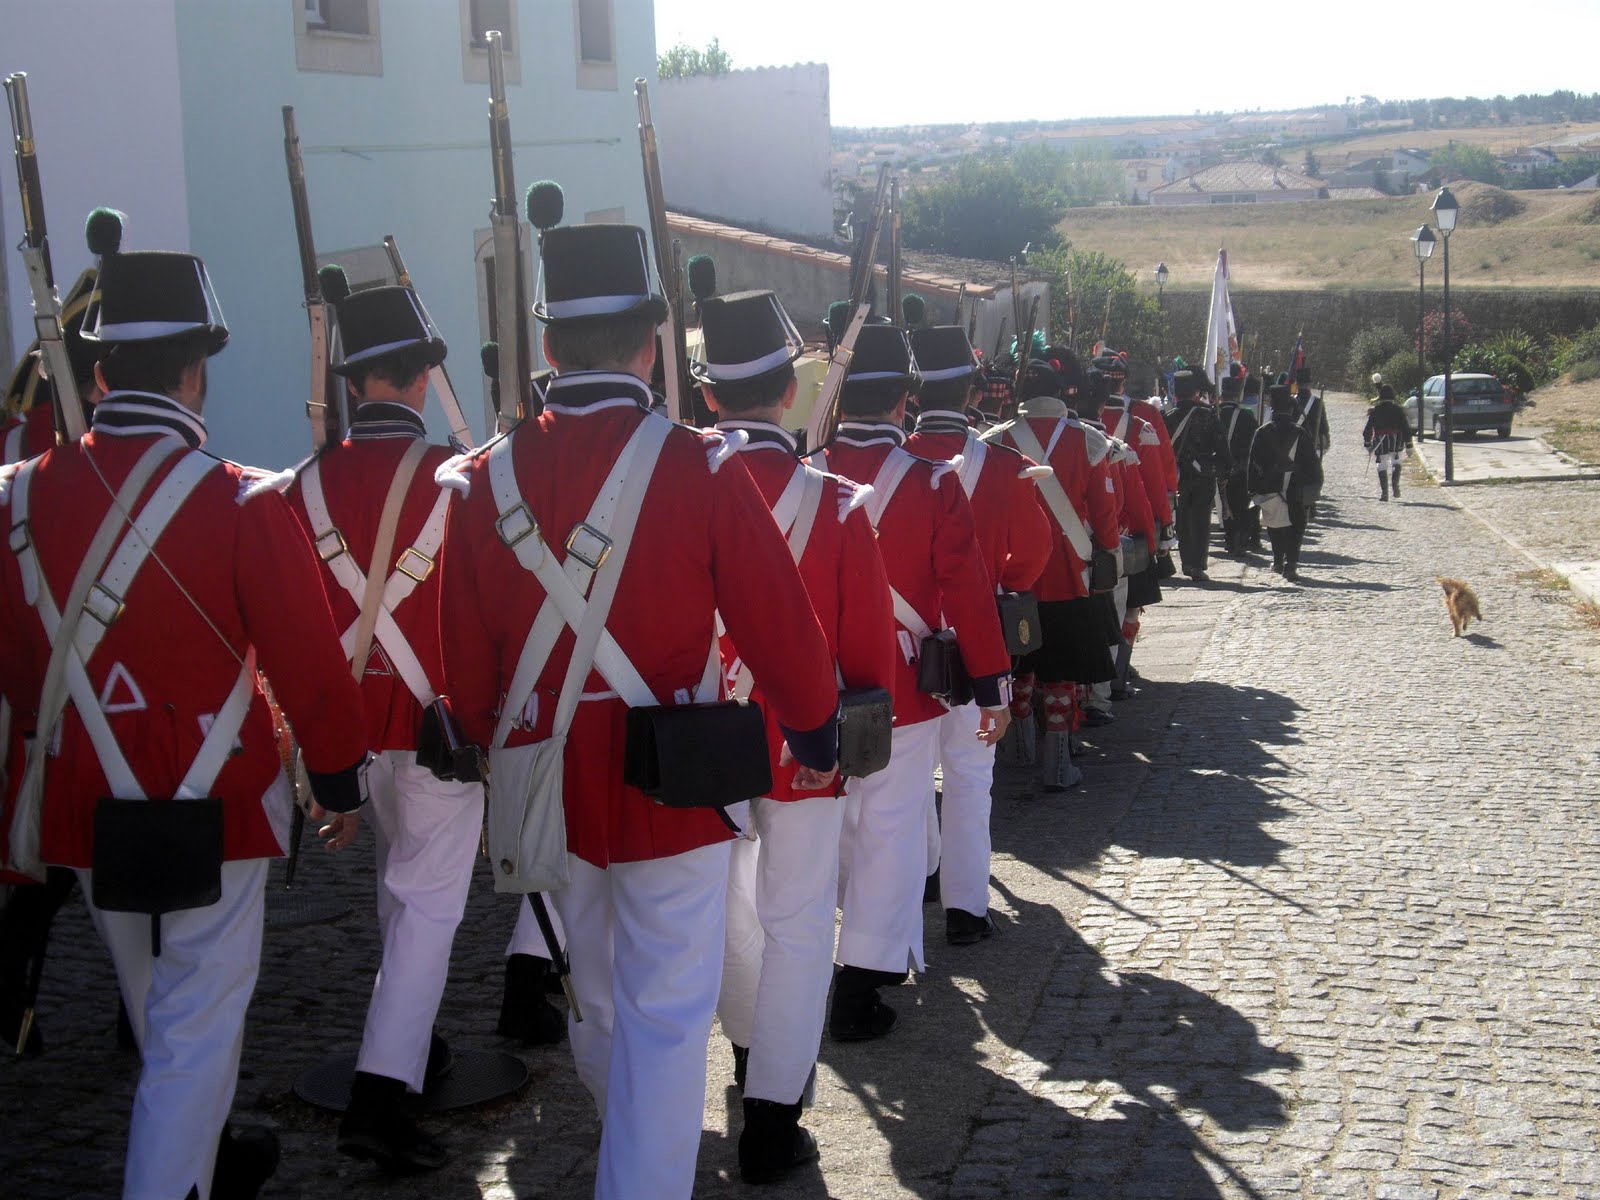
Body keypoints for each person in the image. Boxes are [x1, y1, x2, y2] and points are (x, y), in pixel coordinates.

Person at [439, 220, 840, 1200]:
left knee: (599, 999)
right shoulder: (703, 464)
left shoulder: (484, 478)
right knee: (664, 1018)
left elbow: (464, 664)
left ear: (548, 346)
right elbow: (780, 626)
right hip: (675, 780)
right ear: (651, 345)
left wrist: (494, 742)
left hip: (547, 779)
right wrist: (813, 727)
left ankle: (630, 1159)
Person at [0, 250, 370, 1200]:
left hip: (87, 800)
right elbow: (311, 668)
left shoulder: (17, 497)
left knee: (163, 1016)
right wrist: (338, 781)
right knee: (191, 1033)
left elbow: (19, 670)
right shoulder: (244, 499)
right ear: (195, 371)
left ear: (101, 373)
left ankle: (200, 1170)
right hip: (218, 803)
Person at [697, 287, 896, 1183]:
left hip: (700, 744)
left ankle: (750, 1054)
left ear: (708, 395)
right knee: (799, 925)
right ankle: (773, 1117)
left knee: (729, 917)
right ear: (789, 391)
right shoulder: (840, 506)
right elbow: (868, 658)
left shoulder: (674, 491)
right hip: (803, 747)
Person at [283, 282, 482, 1172]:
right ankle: (380, 1096)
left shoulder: (300, 487)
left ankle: (415, 1040)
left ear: (353, 382)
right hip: (438, 724)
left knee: (400, 894)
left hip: (348, 728)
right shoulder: (459, 478)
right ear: (421, 378)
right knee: (429, 906)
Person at [812, 323, 1012, 1039]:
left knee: (826, 831)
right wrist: (992, 689)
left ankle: (826, 962)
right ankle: (861, 980)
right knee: (890, 833)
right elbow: (969, 594)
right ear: (905, 401)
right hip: (900, 687)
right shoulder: (932, 482)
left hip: (811, 684)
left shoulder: (807, 472)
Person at [904, 324, 1050, 934]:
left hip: (904, 644)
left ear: (914, 394)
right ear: (970, 391)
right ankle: (966, 907)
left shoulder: (895, 460)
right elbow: (1034, 554)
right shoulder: (1006, 466)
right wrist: (998, 586)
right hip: (978, 641)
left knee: (908, 780)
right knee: (969, 776)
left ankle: (918, 879)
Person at [982, 352, 1119, 790]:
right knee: (1061, 671)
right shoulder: (1088, 440)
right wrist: (1109, 552)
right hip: (1068, 573)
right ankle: (1057, 762)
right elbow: (1104, 513)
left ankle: (1018, 748)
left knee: (1020, 665)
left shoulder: (996, 439)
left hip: (1012, 576)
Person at [1248, 384, 1325, 582]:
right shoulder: (1301, 433)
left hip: (1269, 486)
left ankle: (1277, 561)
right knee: (1296, 527)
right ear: (1290, 408)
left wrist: (1253, 489)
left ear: (1272, 407)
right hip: (1295, 488)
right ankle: (1291, 564)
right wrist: (1314, 487)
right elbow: (1312, 464)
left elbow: (1254, 463)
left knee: (1274, 526)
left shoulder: (1262, 432)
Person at [1164, 369, 1229, 580]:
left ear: (1176, 394)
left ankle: (1187, 562)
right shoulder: (1209, 416)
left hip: (1178, 476)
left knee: (1182, 520)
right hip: (1203, 475)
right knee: (1201, 519)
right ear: (1196, 393)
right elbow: (1222, 449)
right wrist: (1221, 470)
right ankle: (1197, 564)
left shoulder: (1168, 418)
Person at [1215, 372, 1260, 556]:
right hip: (1240, 468)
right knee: (1239, 505)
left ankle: (1229, 539)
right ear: (1237, 395)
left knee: (1223, 505)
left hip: (1216, 467)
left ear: (1221, 395)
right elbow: (1255, 444)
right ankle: (1238, 541)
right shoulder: (1247, 417)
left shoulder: (1212, 414)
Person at [1363, 383, 1413, 501]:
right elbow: (1405, 428)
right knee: (1396, 461)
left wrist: (1368, 443)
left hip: (1380, 441)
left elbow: (1368, 429)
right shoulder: (1398, 410)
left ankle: (1384, 493)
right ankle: (1395, 485)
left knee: (1381, 465)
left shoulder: (1375, 410)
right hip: (1396, 440)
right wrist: (1409, 444)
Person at [1294, 365, 1331, 458]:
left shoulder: (1291, 401)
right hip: (1311, 445)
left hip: (1293, 446)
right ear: (1310, 384)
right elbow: (1323, 427)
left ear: (1296, 384)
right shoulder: (1317, 403)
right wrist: (1326, 443)